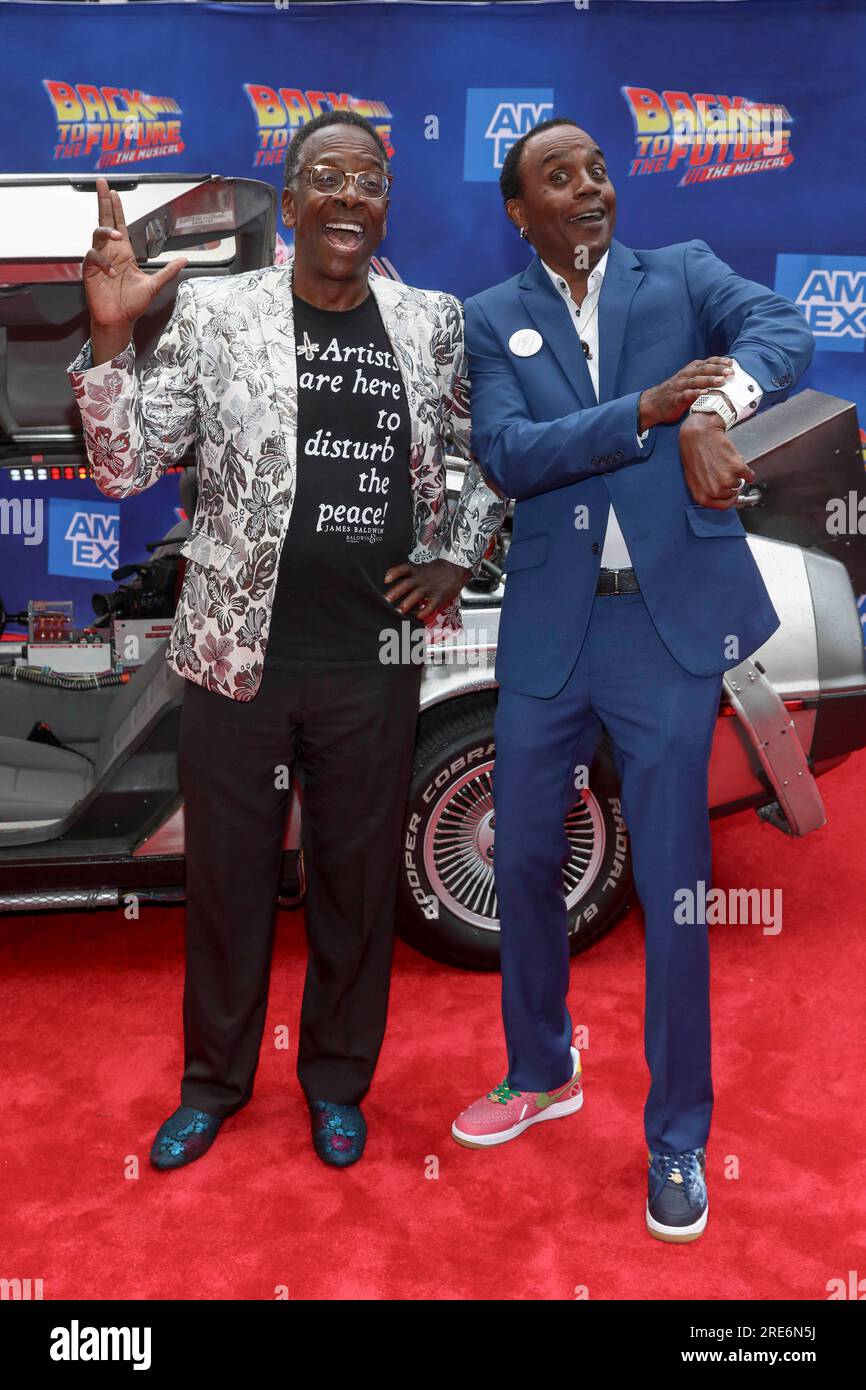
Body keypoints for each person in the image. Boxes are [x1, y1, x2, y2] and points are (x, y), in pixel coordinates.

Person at [68, 110, 505, 1171]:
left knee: (357, 885)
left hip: (373, 660)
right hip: (235, 657)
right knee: (225, 882)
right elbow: (127, 468)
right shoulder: (218, 310)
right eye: (327, 178)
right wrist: (115, 334)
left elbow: (484, 444)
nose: (349, 196)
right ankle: (213, 1084)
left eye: (369, 180)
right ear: (293, 198)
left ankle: (336, 1083)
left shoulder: (431, 319)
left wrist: (455, 552)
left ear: (383, 204)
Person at [452, 117, 814, 1241]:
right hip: (550, 633)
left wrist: (709, 409)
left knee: (670, 890)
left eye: (596, 169)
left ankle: (676, 1141)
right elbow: (509, 455)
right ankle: (540, 1067)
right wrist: (644, 413)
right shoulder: (490, 318)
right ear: (519, 211)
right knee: (516, 858)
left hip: (663, 634)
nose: (587, 187)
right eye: (556, 177)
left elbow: (782, 327)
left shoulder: (684, 275)